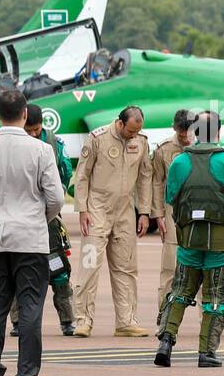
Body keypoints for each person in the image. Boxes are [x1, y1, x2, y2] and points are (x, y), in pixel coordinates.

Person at [0, 89, 65, 376]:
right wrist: (39, 219)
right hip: (30, 239)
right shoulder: (41, 150)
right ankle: (27, 375)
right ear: (25, 114)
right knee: (31, 305)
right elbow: (57, 198)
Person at [154, 111, 224, 368]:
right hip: (219, 242)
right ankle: (206, 352)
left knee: (179, 291)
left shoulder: (179, 161)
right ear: (218, 132)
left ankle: (166, 341)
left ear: (194, 132)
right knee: (216, 296)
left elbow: (171, 196)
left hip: (189, 239)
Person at [71, 105, 153, 337]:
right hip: (97, 208)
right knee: (89, 266)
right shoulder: (97, 138)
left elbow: (146, 177)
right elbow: (82, 175)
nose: (133, 136)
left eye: (137, 132)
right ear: (119, 123)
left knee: (126, 268)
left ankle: (126, 321)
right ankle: (83, 320)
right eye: (130, 131)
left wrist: (144, 211)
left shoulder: (142, 142)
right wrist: (82, 209)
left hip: (125, 211)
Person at [12, 103, 76, 337]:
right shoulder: (11, 145)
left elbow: (65, 175)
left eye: (36, 130)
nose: (32, 134)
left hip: (47, 217)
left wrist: (52, 208)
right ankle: (18, 321)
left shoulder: (56, 146)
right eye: (28, 130)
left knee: (57, 268)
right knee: (17, 269)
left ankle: (68, 320)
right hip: (19, 216)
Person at [151, 109, 196, 307]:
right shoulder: (164, 149)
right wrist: (158, 215)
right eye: (181, 134)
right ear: (174, 129)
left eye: (189, 133)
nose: (186, 138)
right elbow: (157, 183)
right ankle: (164, 314)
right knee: (169, 267)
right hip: (173, 212)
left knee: (203, 266)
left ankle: (209, 318)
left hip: (199, 211)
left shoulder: (205, 147)